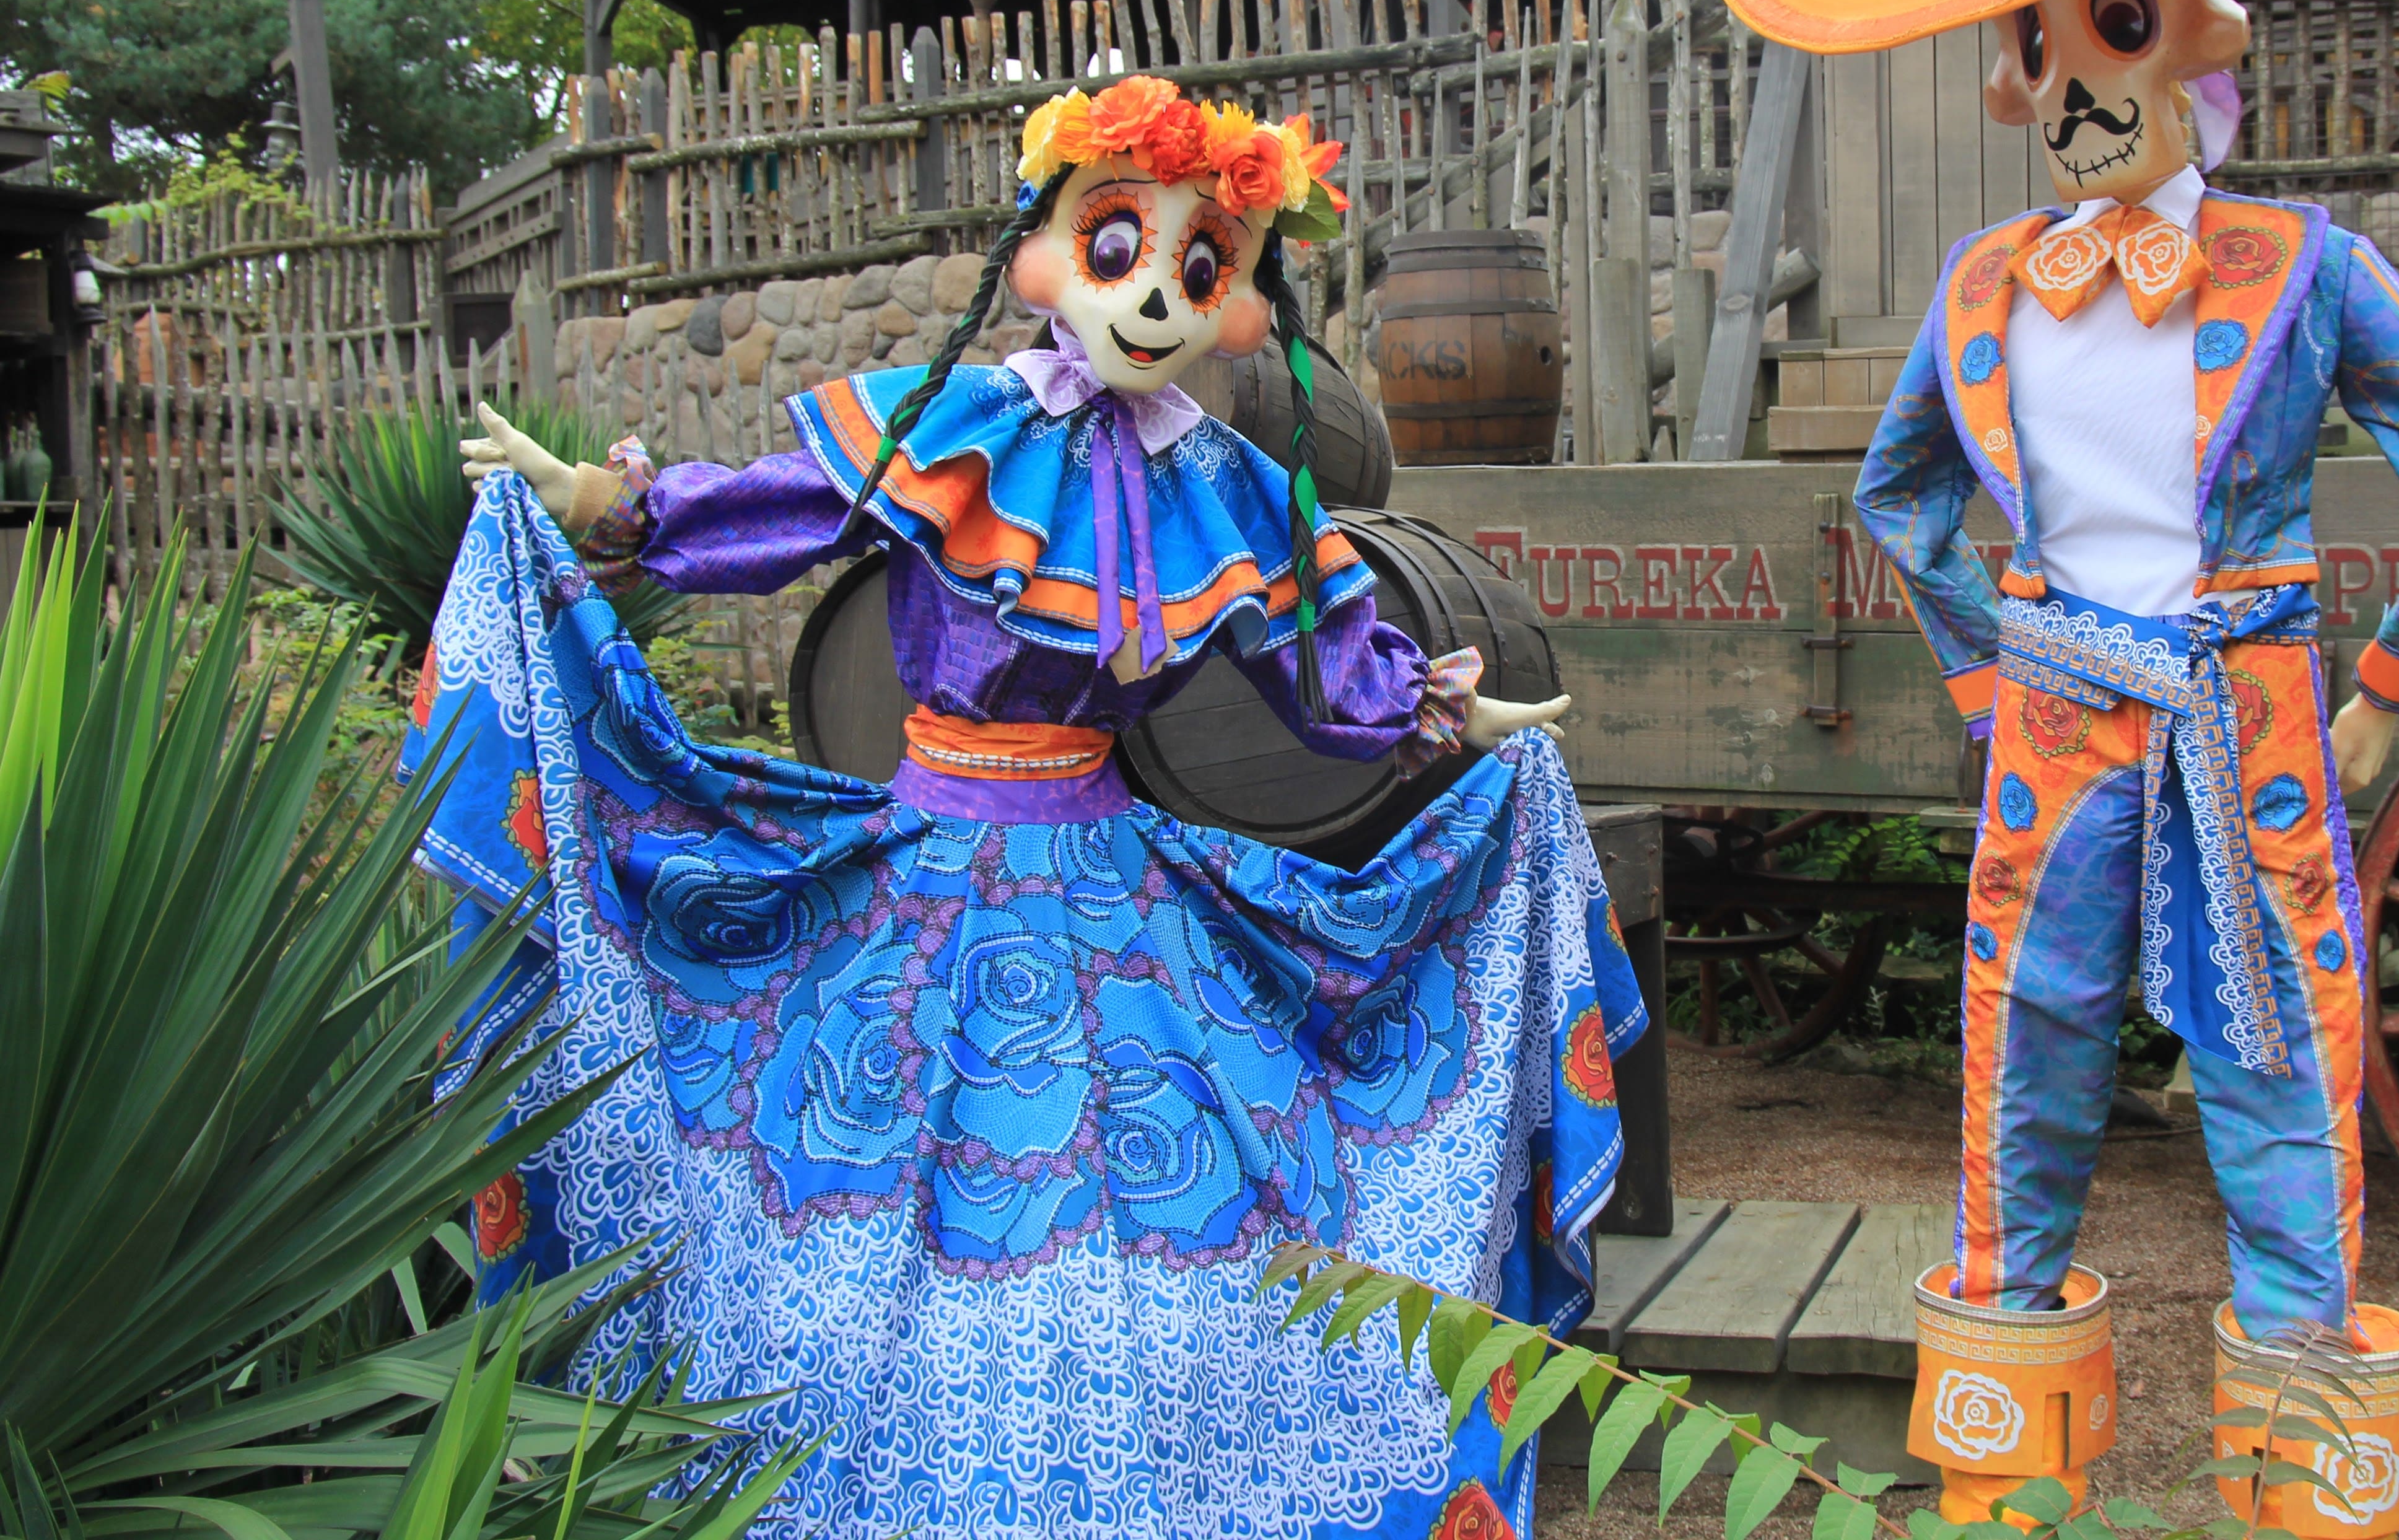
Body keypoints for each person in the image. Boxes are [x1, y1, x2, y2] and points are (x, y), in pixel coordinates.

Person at [417, 75, 1638, 1540]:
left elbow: (1314, 648)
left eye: (1206, 266)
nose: (1158, 294)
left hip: (1115, 880)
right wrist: (612, 508)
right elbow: (784, 511)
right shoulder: (969, 421)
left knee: (1195, 1201)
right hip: (926, 872)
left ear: (1244, 306)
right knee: (879, 1210)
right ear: (1045, 249)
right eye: (1120, 242)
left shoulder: (1226, 478)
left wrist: (1444, 710)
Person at [1715, 0, 2399, 1536]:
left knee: (2273, 1059)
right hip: (2061, 721)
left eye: (2111, 15)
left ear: (2187, 23)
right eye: (2040, 30)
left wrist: (2393, 683)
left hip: (2244, 718)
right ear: (2011, 63)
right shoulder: (1985, 281)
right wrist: (1979, 679)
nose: (2078, 74)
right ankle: (2011, 1485)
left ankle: (2307, 1476)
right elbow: (1900, 492)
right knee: (2026, 1043)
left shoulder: (2303, 270)